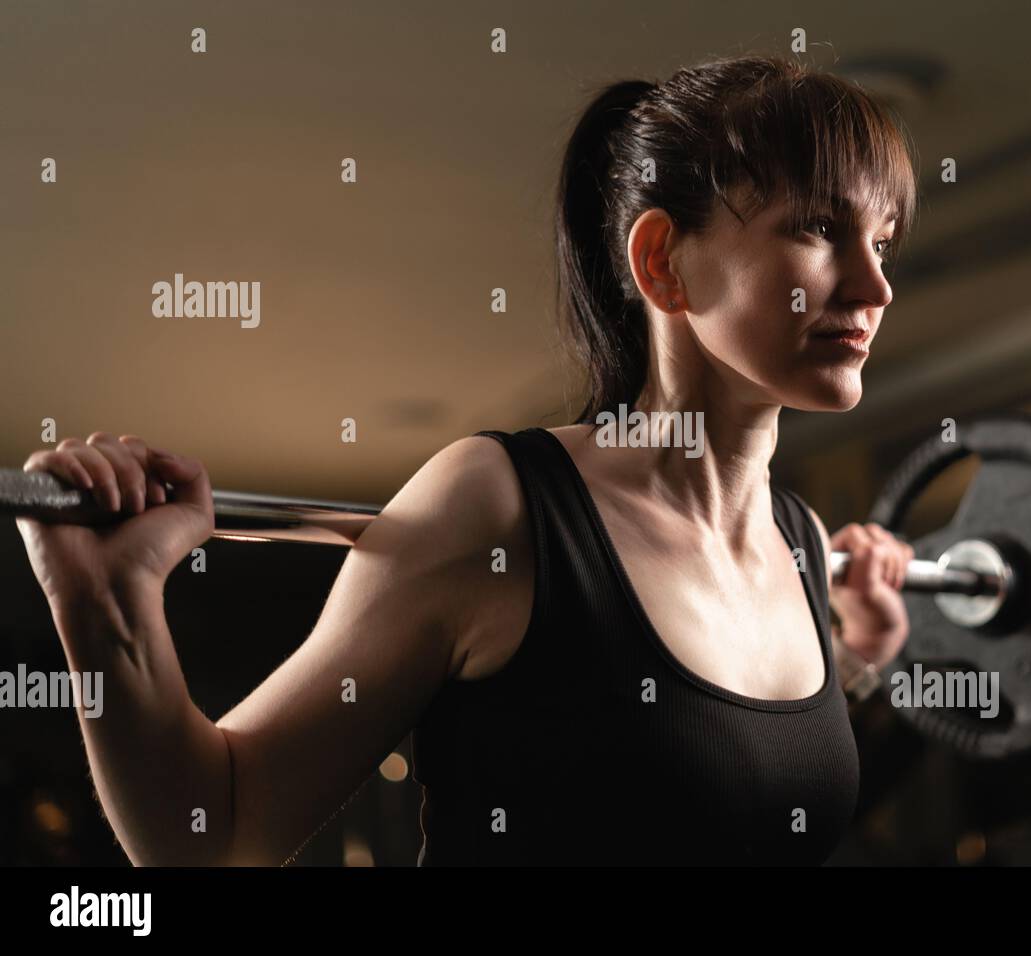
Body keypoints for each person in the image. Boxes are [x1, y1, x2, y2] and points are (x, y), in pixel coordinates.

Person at [15, 53, 917, 866]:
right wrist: (105, 603)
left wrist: (862, 660)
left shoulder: (798, 542)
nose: (874, 288)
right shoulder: (498, 509)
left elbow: (748, 802)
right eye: (818, 230)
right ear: (663, 264)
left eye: (879, 242)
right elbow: (212, 835)